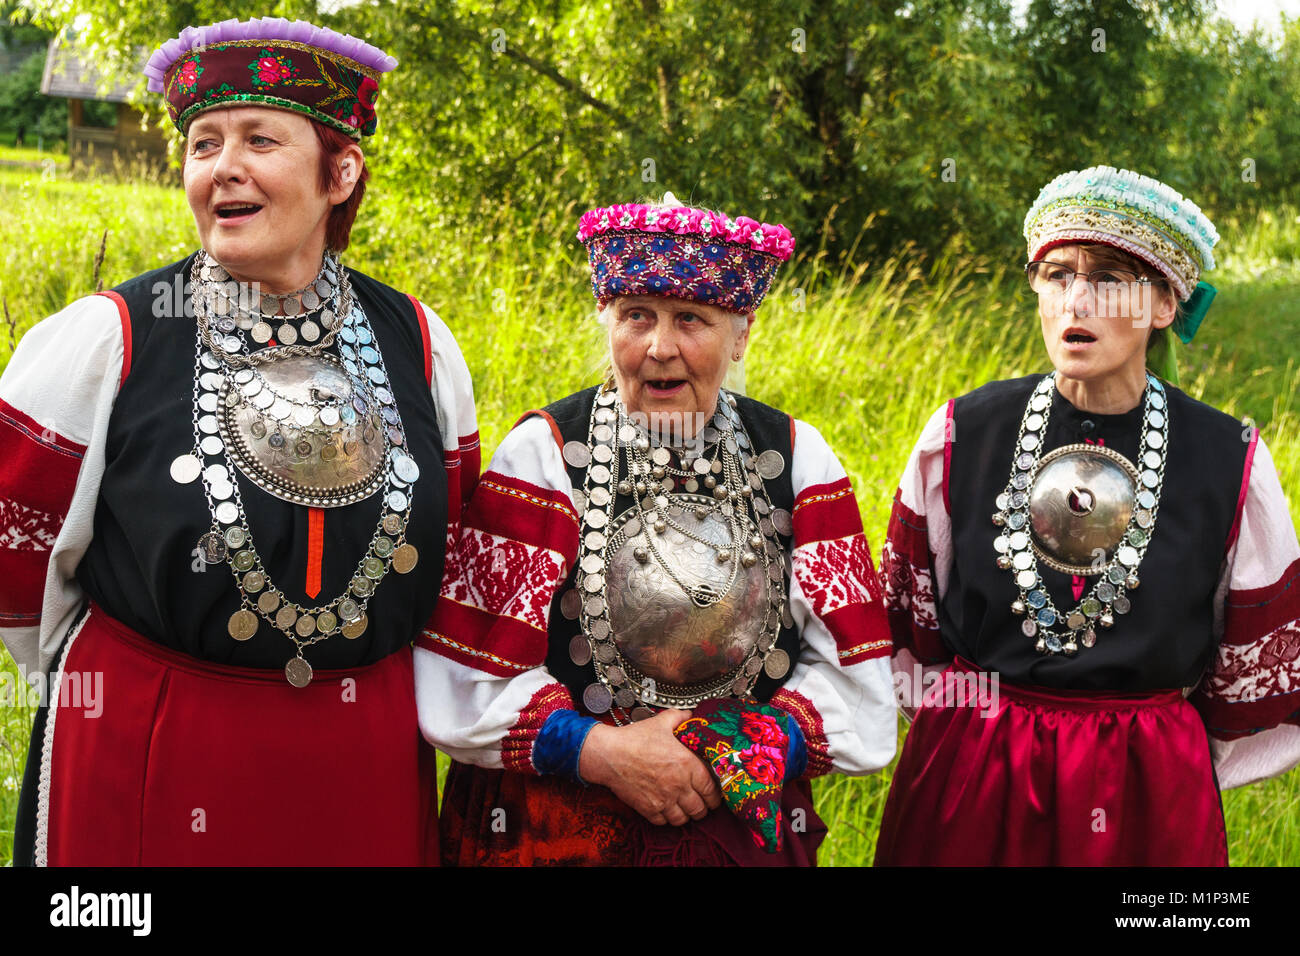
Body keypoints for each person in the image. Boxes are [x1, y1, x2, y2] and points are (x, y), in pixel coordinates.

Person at [0, 16, 478, 865]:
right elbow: (15, 563)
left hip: (361, 768)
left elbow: (456, 547)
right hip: (153, 756)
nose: (223, 168)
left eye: (260, 140)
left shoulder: (422, 343)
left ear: (342, 172)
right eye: (202, 144)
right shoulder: (109, 340)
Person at [415, 197, 897, 865]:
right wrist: (603, 753)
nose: (659, 347)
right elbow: (466, 676)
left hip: (733, 822)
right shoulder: (544, 455)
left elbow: (859, 683)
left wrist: (734, 756)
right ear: (605, 321)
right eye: (635, 315)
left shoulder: (798, 458)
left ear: (741, 333)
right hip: (557, 828)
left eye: (690, 320)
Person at [876, 165, 1300, 866]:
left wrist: (1163, 751)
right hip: (974, 773)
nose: (1077, 298)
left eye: (1109, 278)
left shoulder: (1231, 461)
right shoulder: (959, 436)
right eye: (1057, 274)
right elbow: (910, 625)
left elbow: (1250, 657)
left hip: (1145, 784)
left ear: (1164, 304)